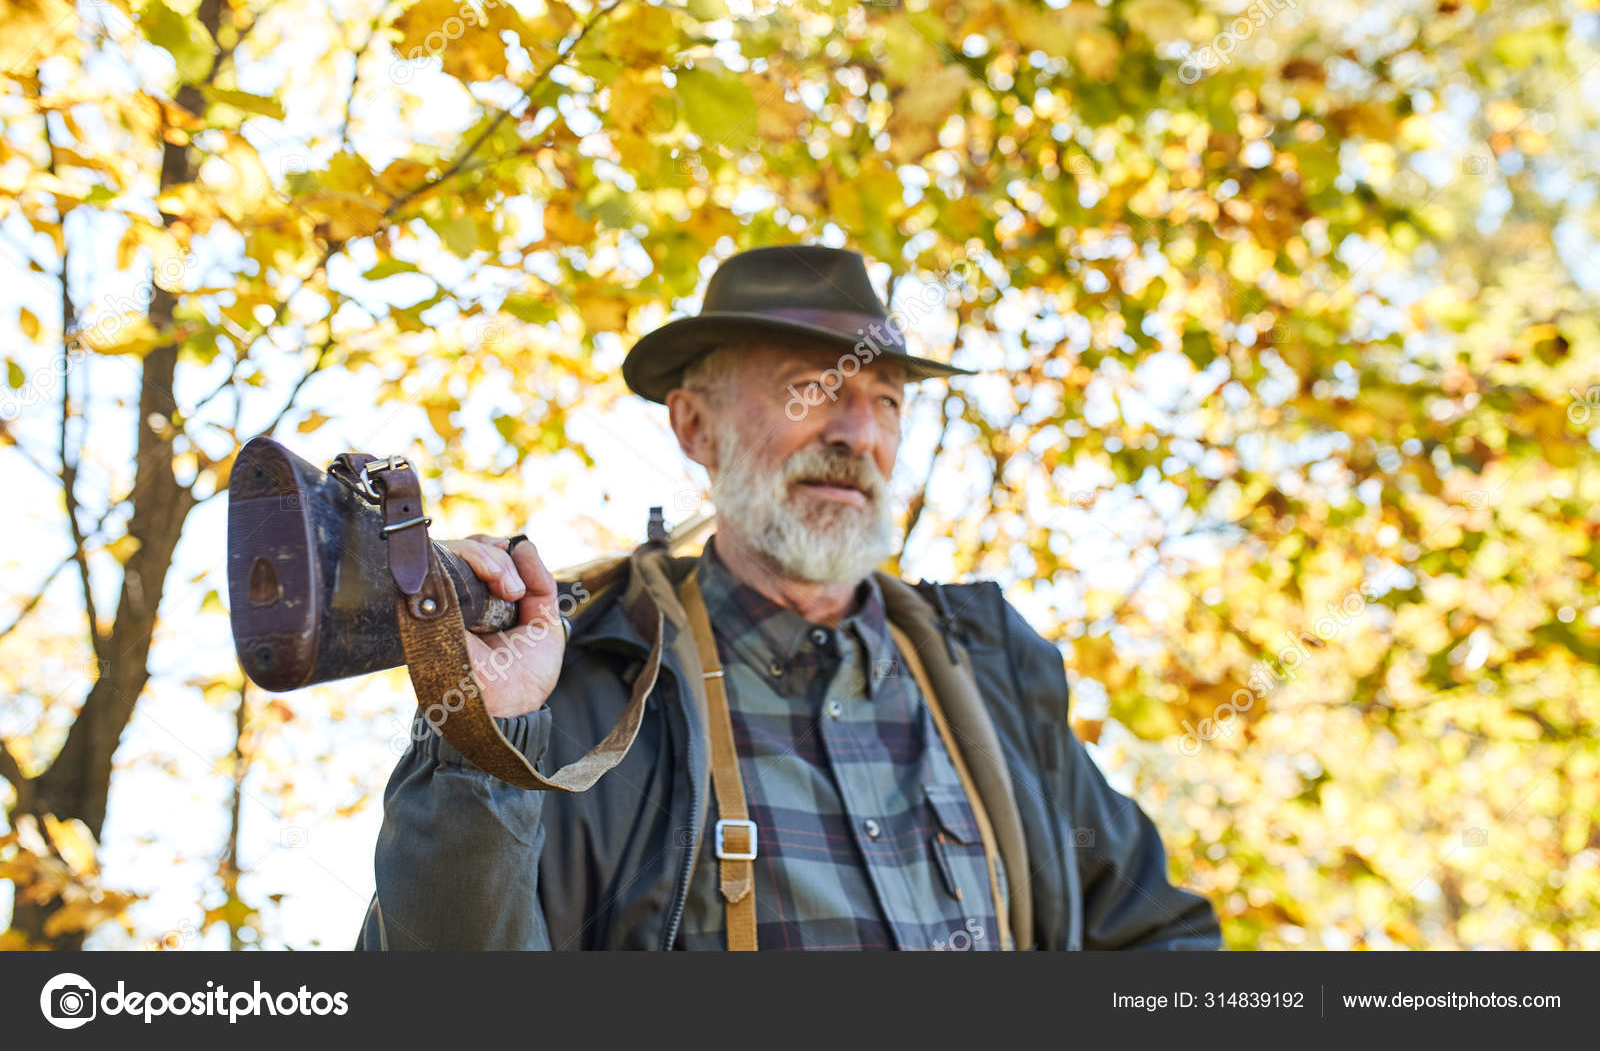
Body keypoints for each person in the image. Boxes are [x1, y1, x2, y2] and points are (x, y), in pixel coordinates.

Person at [356, 244, 1221, 951]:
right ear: (696, 427)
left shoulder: (991, 678)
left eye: (885, 400)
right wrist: (480, 740)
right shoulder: (587, 696)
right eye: (814, 391)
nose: (858, 432)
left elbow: (1163, 943)